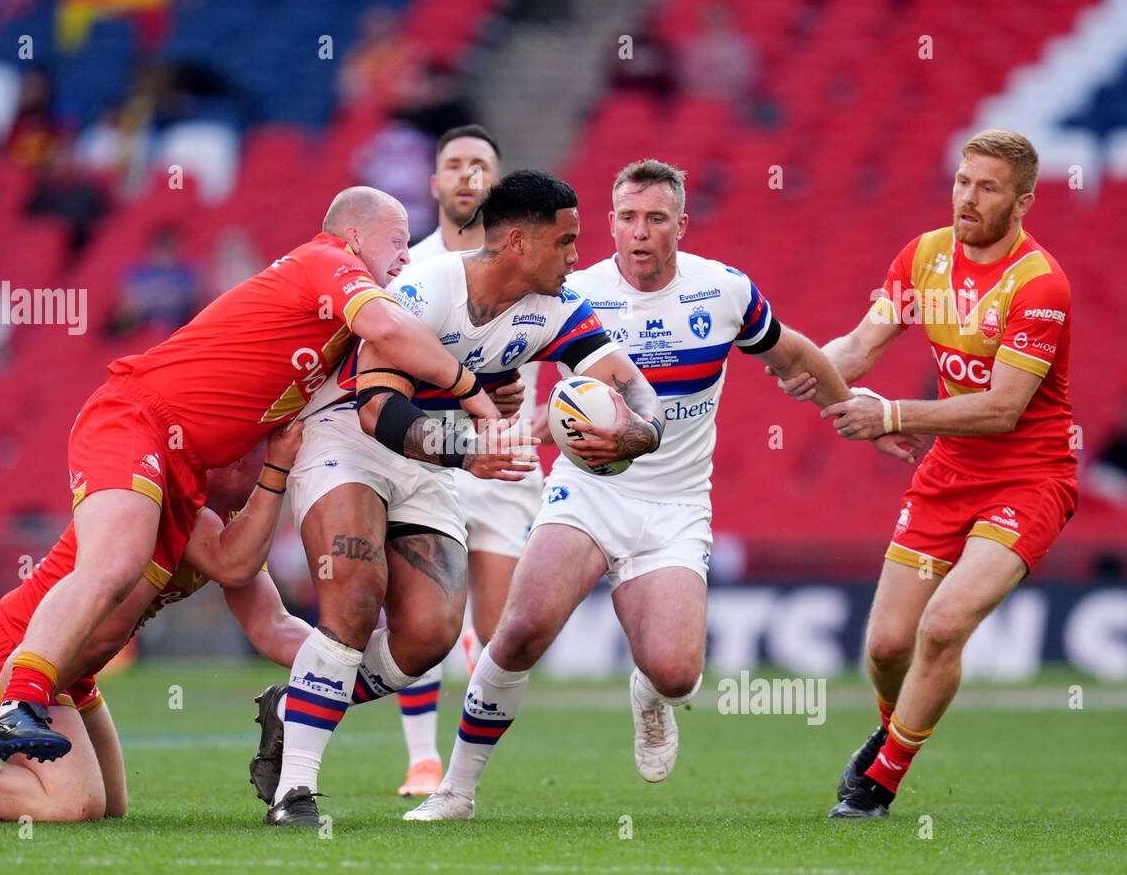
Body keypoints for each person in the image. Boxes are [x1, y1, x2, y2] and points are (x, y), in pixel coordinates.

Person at [405, 159, 919, 822]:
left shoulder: (723, 292)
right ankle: (456, 790)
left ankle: (649, 696)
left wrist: (854, 415)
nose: (639, 233)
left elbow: (792, 356)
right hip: (588, 494)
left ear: (681, 224)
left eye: (654, 219)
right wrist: (513, 422)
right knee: (523, 629)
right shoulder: (571, 292)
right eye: (626, 218)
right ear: (610, 224)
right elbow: (498, 363)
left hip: (675, 505)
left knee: (676, 673)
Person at [0, 187, 502, 767]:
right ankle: (16, 702)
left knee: (97, 806)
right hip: (137, 419)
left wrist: (345, 670)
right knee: (116, 564)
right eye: (398, 241)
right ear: (354, 238)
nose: (407, 256)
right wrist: (472, 392)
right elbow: (388, 327)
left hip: (170, 475)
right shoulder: (328, 262)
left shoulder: (212, 499)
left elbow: (250, 589)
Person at [259, 170, 665, 827]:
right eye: (565, 242)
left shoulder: (557, 310)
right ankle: (294, 790)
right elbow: (376, 407)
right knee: (356, 593)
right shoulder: (430, 285)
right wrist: (470, 444)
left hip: (433, 464)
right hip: (349, 440)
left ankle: (292, 707)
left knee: (429, 637)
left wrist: (636, 432)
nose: (576, 258)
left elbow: (632, 386)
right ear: (517, 243)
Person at [777, 129, 1077, 819]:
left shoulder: (1041, 286)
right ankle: (894, 729)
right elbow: (856, 350)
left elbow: (1003, 409)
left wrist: (893, 418)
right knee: (886, 646)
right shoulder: (925, 256)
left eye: (988, 187)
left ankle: (876, 785)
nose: (968, 197)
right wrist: (800, 362)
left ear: (1023, 202)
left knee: (942, 627)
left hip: (1029, 479)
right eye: (963, 181)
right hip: (948, 474)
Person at [0, 426, 311, 822]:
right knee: (74, 804)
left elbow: (273, 625)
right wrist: (278, 471)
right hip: (17, 654)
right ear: (224, 459)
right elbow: (233, 563)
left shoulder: (222, 523)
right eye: (258, 451)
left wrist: (348, 661)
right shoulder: (183, 508)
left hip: (72, 666)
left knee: (111, 807)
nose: (265, 459)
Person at [384, 124, 534, 798]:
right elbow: (385, 368)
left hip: (503, 463)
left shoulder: (526, 272)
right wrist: (465, 386)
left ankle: (466, 758)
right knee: (420, 613)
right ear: (435, 183)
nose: (468, 175)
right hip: (426, 459)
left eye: (480, 166)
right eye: (455, 165)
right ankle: (422, 760)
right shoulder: (406, 271)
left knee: (501, 633)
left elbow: (569, 349)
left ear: (495, 185)